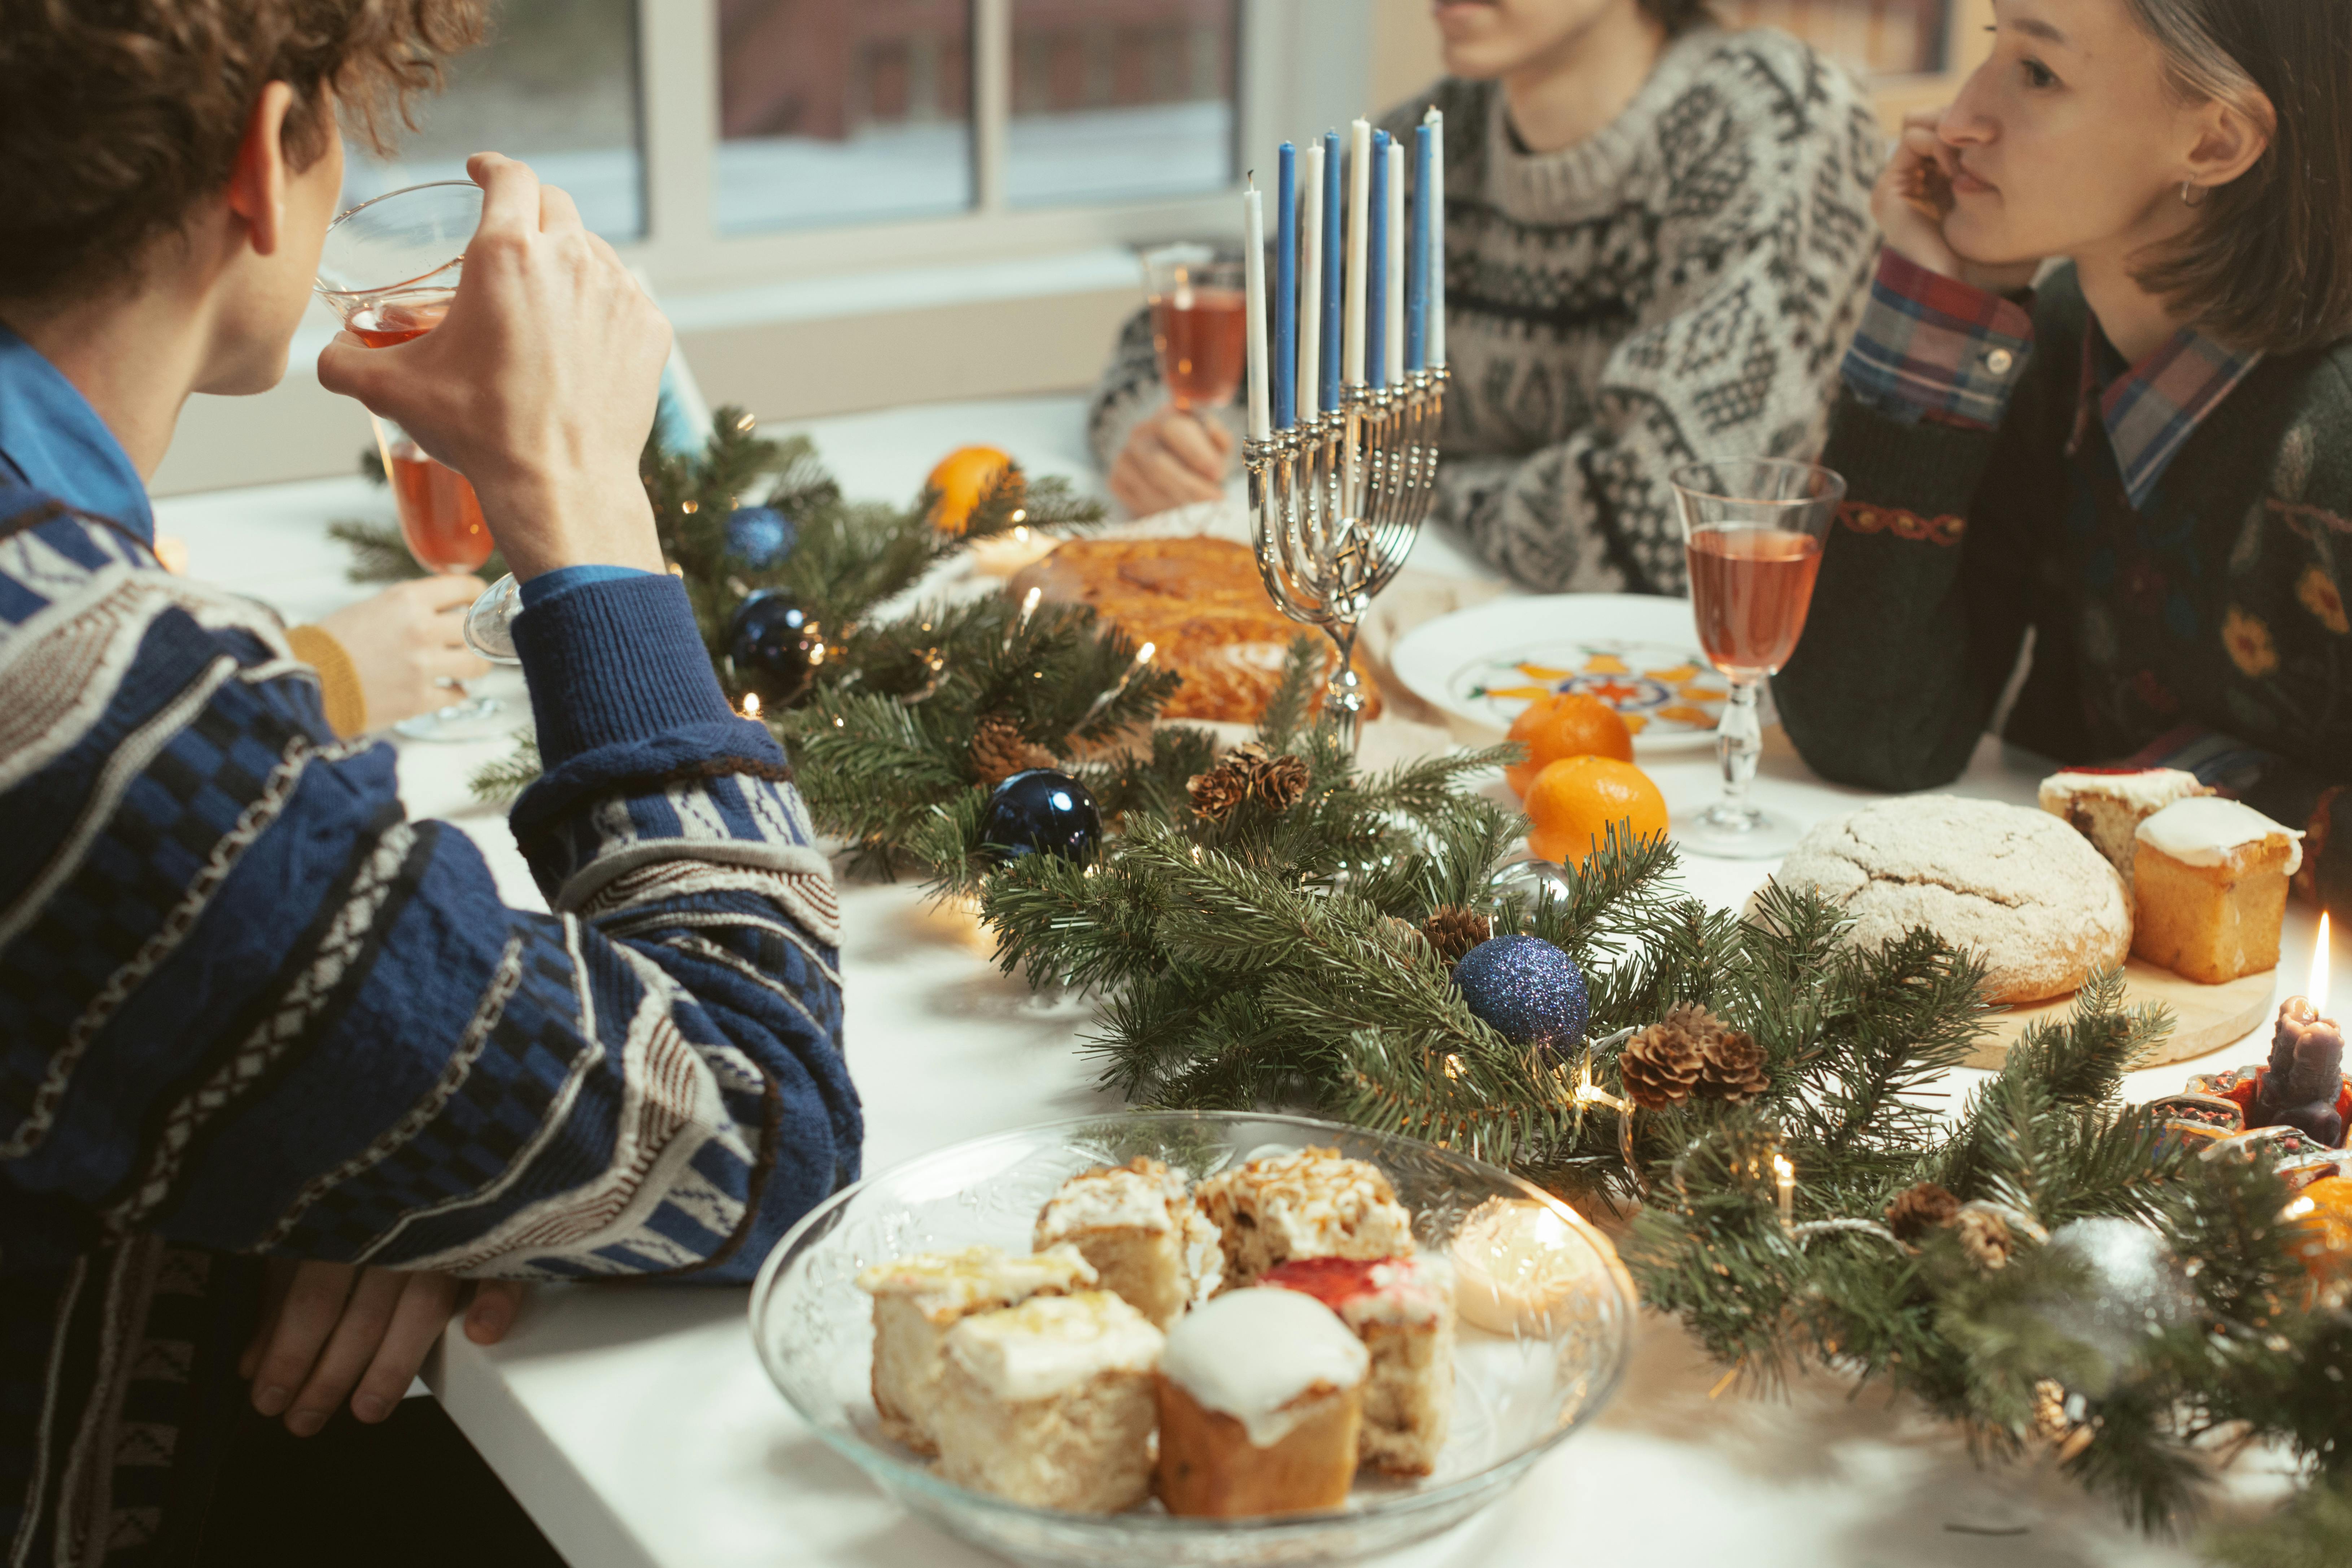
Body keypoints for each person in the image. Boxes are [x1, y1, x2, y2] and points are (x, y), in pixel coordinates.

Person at [0, 3, 858, 1561]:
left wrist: (382, 1154)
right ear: (266, 163)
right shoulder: (81, 701)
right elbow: (757, 1118)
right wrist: (583, 495)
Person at [1773, 0, 2352, 913]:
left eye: (2039, 73)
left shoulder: (2336, 430)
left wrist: (2181, 791)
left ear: (2214, 145)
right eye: (1994, 45)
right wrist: (1940, 306)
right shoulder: (2054, 342)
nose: (1955, 119)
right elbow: (1873, 734)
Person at [1090, 0, 1885, 595]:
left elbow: (1657, 528)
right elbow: (1210, 322)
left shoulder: (1773, 118)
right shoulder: (1432, 144)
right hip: (1464, 660)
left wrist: (1374, 480)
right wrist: (1158, 429)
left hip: (1719, 722)